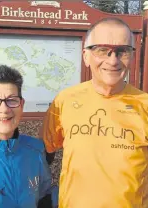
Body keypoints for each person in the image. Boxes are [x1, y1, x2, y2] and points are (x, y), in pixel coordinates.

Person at [42, 17, 148, 207]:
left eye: (122, 51)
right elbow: (45, 154)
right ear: (85, 56)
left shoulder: (145, 105)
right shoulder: (64, 100)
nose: (113, 60)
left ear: (131, 56)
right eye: (102, 50)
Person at [0, 65, 58, 208]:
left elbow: (46, 195)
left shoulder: (36, 150)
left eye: (11, 100)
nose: (4, 109)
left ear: (21, 105)